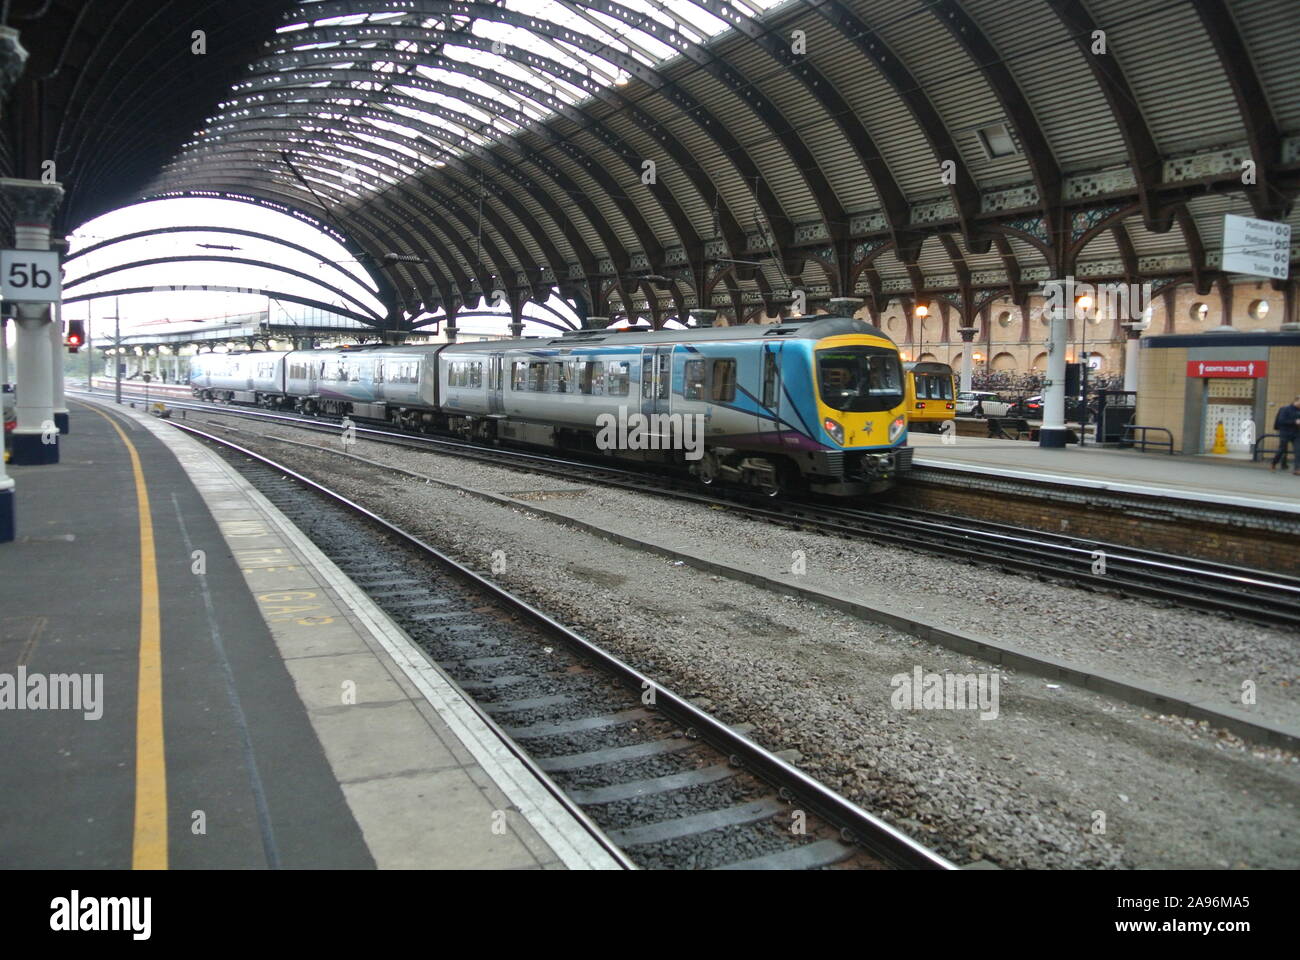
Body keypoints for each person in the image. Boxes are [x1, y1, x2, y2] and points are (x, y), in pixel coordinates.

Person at [1272, 396, 1300, 473]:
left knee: (1298, 450)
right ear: (1296, 401)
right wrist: (1294, 422)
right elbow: (1281, 421)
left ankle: (1297, 469)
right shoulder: (1285, 409)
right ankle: (1274, 462)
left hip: (1297, 433)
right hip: (1285, 432)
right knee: (1282, 449)